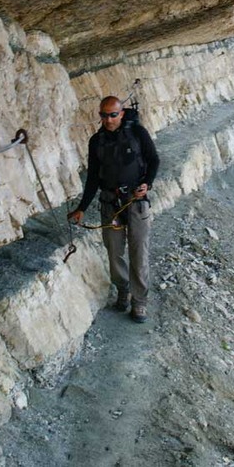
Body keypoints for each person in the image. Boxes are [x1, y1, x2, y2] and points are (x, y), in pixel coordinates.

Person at [68, 96, 160, 323]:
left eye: (112, 115)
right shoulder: (96, 142)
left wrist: (147, 183)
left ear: (121, 113)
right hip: (110, 203)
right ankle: (123, 290)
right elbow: (92, 178)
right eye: (103, 115)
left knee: (139, 252)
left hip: (136, 202)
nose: (108, 120)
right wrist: (82, 208)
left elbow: (154, 159)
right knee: (114, 251)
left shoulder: (138, 134)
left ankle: (139, 303)